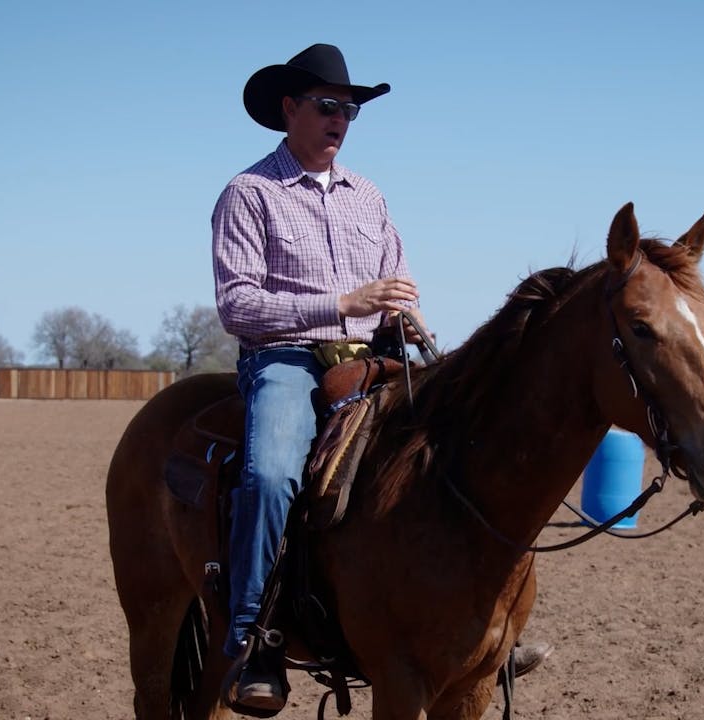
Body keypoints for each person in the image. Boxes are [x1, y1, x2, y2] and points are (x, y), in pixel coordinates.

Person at [212, 43, 551, 712]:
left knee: (463, 449)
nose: (341, 120)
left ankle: (484, 631)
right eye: (329, 107)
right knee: (272, 468)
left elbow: (393, 279)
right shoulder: (248, 193)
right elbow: (236, 303)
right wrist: (340, 305)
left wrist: (405, 313)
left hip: (375, 356)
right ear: (290, 109)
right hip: (285, 358)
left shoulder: (368, 196)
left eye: (351, 111)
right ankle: (257, 636)